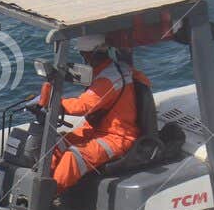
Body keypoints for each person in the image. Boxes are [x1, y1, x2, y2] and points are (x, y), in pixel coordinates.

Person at [35, 35, 150, 191]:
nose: (84, 58)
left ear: (94, 54)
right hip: (96, 129)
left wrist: (55, 103)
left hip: (117, 136)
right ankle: (38, 186)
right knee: (54, 145)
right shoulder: (104, 71)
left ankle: (48, 196)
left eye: (84, 54)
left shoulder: (108, 79)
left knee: (73, 157)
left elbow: (83, 106)